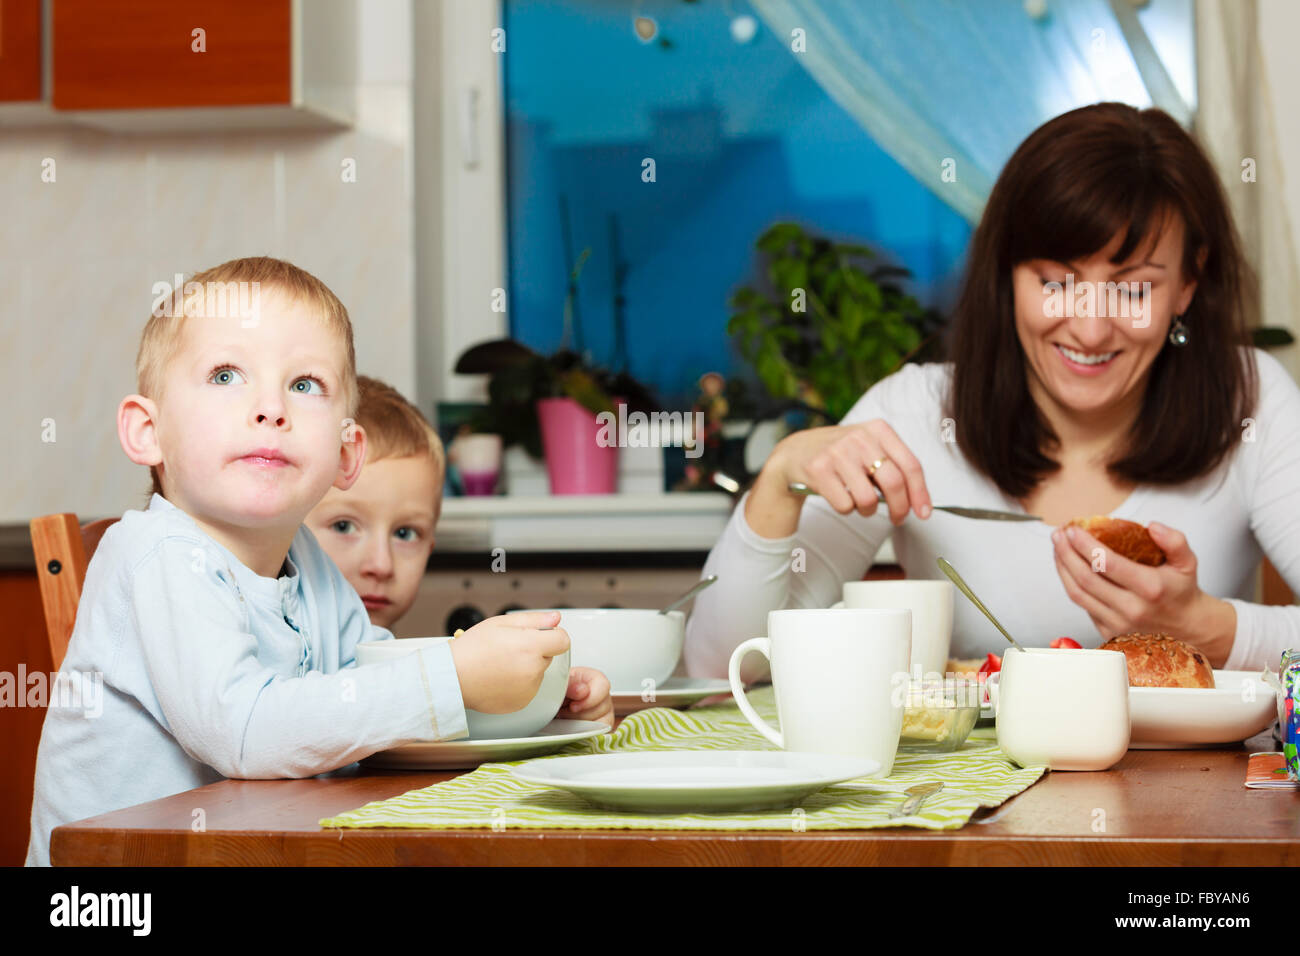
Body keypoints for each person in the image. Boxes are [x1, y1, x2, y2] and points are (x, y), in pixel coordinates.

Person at [686, 102, 1300, 681]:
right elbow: (725, 670)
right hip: (969, 795)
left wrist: (1213, 631)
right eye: (1056, 281)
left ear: (1187, 286)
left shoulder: (1249, 401)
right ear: (1007, 276)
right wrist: (781, 478)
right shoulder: (916, 414)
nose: (1089, 326)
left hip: (1197, 794)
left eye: (1133, 288)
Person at [26, 257, 569, 865]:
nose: (271, 408)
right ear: (148, 431)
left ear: (345, 451)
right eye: (227, 375)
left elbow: (371, 687)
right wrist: (453, 675)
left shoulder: (305, 558)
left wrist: (538, 702)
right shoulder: (157, 555)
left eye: (305, 384)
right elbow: (245, 733)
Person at [304, 374, 613, 724]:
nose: (381, 564)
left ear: (430, 546)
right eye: (344, 526)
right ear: (290, 530)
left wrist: (545, 706)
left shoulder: (405, 666)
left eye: (405, 533)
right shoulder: (282, 667)